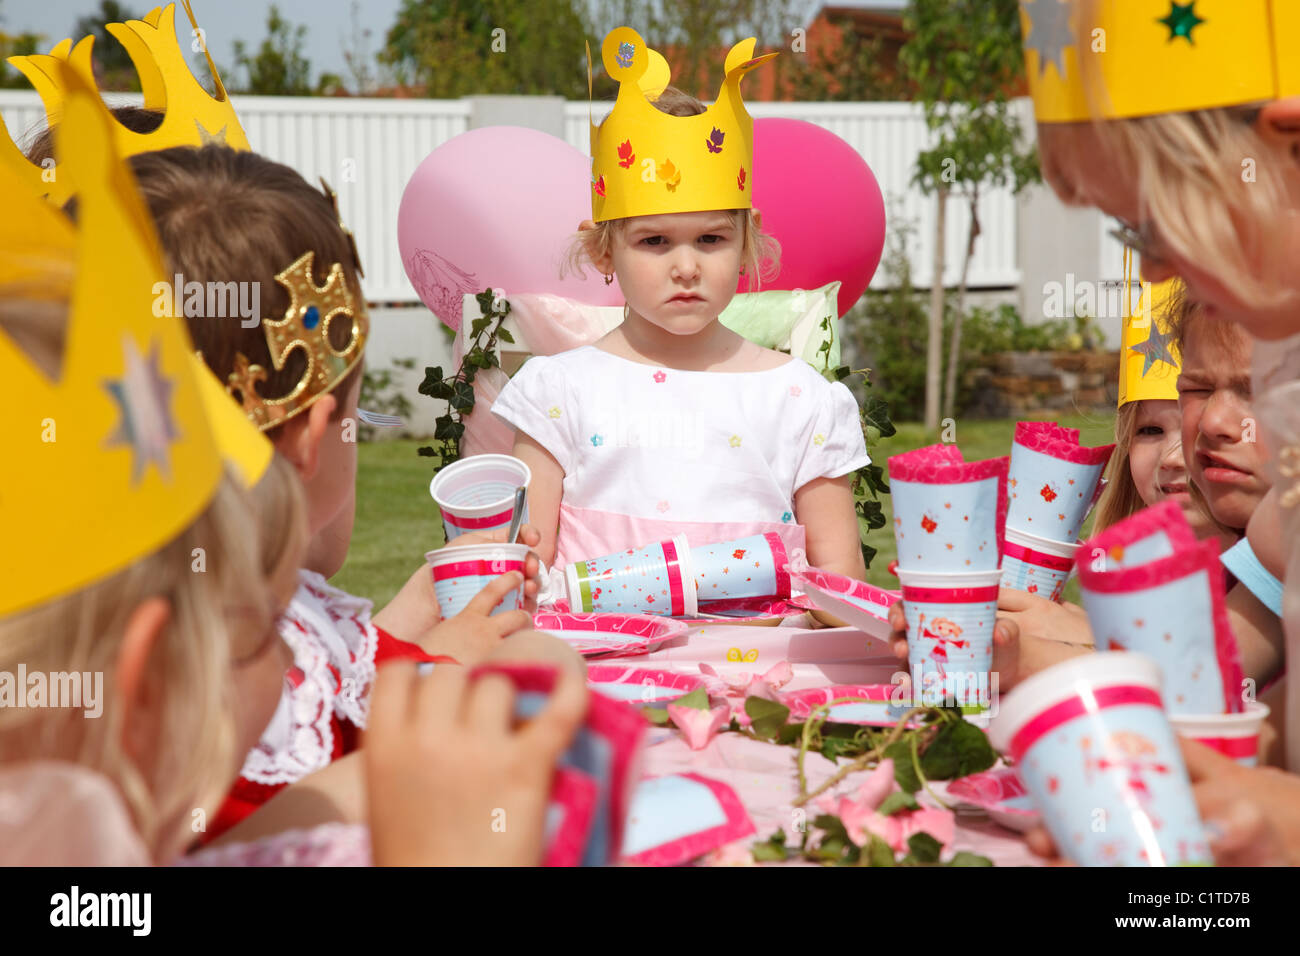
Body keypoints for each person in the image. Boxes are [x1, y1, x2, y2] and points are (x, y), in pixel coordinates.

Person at [491, 29, 870, 603]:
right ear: (603, 251)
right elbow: (524, 569)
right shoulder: (557, 391)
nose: (686, 266)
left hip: (762, 671)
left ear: (747, 244)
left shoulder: (800, 398)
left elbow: (841, 583)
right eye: (655, 241)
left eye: (711, 238)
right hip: (595, 670)